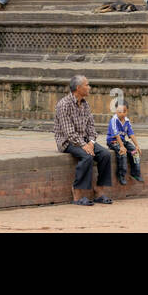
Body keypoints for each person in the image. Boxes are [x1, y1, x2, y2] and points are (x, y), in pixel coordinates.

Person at [53, 74, 113, 205]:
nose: (90, 88)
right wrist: (84, 145)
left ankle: (99, 190)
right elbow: (69, 132)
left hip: (85, 140)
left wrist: (91, 142)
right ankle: (77, 193)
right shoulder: (63, 105)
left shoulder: (85, 105)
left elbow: (91, 127)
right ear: (78, 88)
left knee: (105, 154)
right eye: (87, 85)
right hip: (67, 142)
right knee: (87, 156)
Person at [106, 102, 142, 184]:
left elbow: (131, 134)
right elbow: (116, 135)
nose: (122, 114)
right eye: (119, 111)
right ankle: (121, 175)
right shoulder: (114, 120)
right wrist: (122, 147)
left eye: (124, 111)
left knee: (135, 152)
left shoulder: (127, 121)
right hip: (113, 141)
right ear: (115, 111)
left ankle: (135, 173)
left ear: (127, 111)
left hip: (122, 141)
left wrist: (137, 146)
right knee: (123, 153)